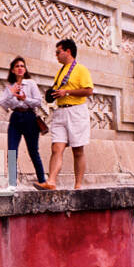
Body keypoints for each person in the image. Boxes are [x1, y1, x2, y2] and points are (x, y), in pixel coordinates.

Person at [36, 38, 93, 190]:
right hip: (60, 111)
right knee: (56, 148)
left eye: (58, 52)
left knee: (78, 150)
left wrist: (67, 91)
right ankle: (51, 181)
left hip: (76, 111)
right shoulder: (60, 72)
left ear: (68, 51)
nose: (56, 55)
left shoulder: (81, 69)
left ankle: (78, 184)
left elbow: (88, 90)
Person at [0, 56, 46, 192]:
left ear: (25, 69)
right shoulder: (10, 86)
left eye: (22, 66)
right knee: (12, 150)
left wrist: (25, 98)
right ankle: (12, 184)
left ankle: (43, 181)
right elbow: (3, 104)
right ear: (12, 70)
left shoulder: (31, 83)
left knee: (33, 151)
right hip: (15, 117)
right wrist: (10, 94)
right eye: (17, 66)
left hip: (29, 117)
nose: (20, 68)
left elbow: (38, 102)